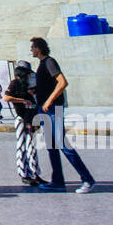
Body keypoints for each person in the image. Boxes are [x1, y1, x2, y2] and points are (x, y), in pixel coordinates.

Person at [31, 37, 96, 193]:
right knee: (51, 147)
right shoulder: (42, 64)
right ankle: (57, 181)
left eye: (32, 47)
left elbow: (62, 82)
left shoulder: (49, 62)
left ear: (39, 48)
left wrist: (49, 101)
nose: (31, 50)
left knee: (62, 145)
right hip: (45, 110)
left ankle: (87, 179)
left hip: (53, 109)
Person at [4, 60, 44, 187]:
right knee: (21, 146)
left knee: (32, 147)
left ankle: (35, 173)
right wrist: (22, 101)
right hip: (21, 118)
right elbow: (7, 98)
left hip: (31, 118)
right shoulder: (14, 83)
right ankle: (24, 174)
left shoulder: (30, 84)